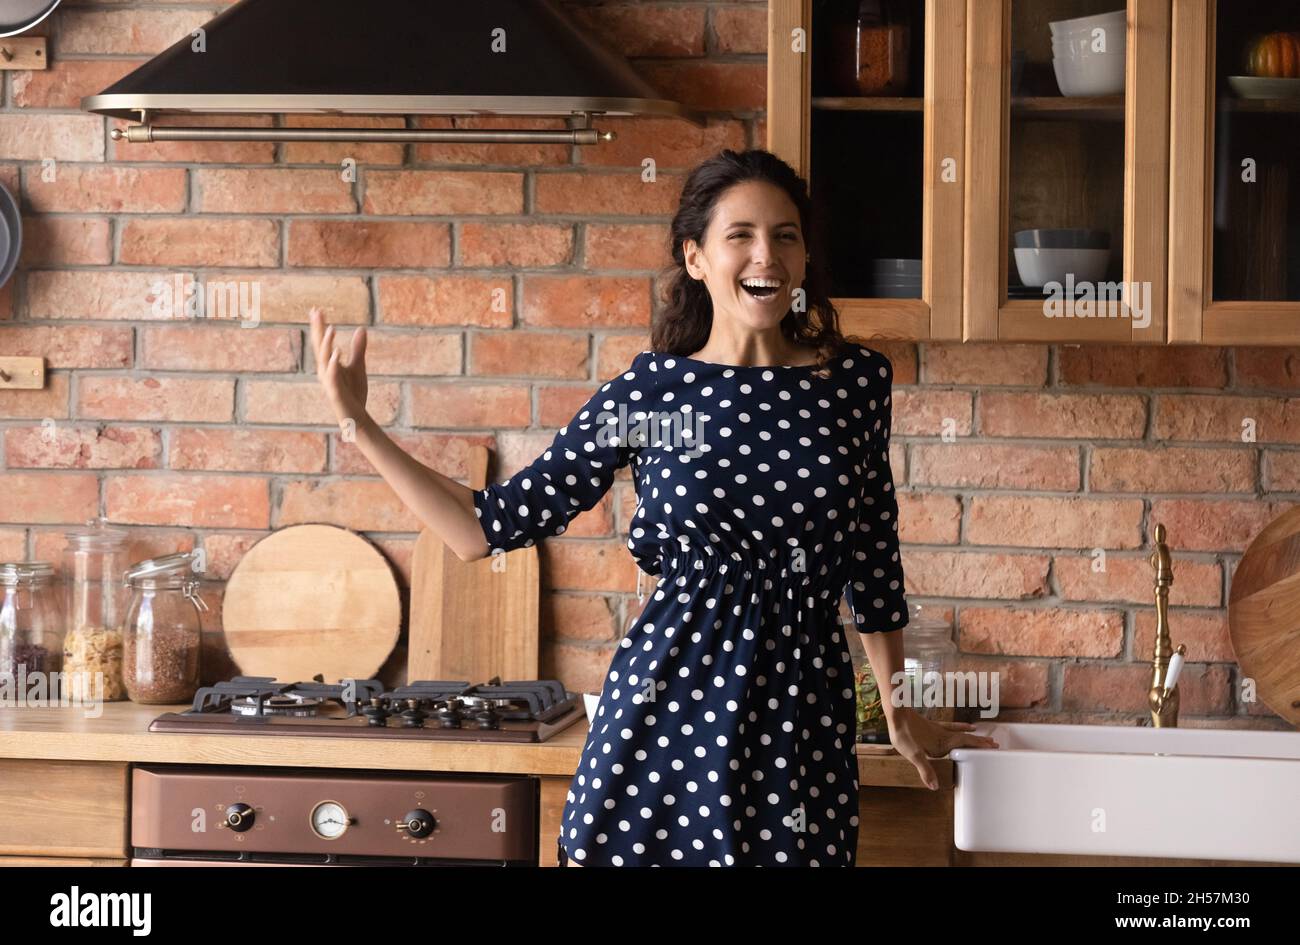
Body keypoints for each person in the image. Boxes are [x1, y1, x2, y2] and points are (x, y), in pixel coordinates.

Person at [310, 147, 998, 868]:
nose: (767, 254)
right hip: (665, 709)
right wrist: (361, 425)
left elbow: (872, 554)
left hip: (802, 710)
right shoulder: (651, 394)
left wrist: (896, 705)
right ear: (696, 258)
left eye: (786, 234)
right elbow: (483, 528)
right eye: (741, 235)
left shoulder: (853, 383)